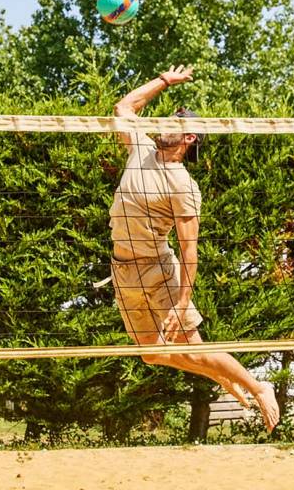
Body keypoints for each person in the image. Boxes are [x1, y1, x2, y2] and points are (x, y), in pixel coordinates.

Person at [109, 65, 279, 431]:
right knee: (152, 355)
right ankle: (219, 374)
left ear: (189, 138)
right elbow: (124, 107)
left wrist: (183, 301)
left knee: (193, 346)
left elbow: (189, 250)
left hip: (156, 269)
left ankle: (258, 385)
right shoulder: (141, 148)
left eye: (177, 120)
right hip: (122, 268)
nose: (168, 120)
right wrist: (165, 81)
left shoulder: (183, 184)